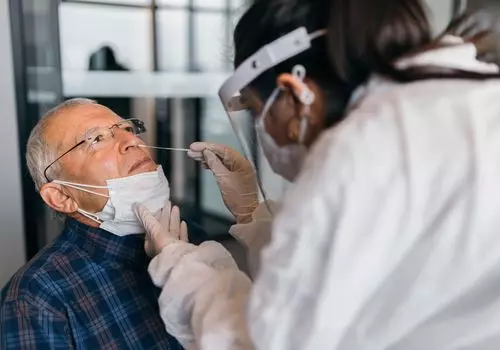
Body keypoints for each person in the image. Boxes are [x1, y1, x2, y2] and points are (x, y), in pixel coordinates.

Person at [136, 1, 500, 349]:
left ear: (295, 94)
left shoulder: (361, 151)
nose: (266, 132)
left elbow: (263, 341)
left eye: (259, 110)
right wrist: (252, 211)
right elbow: (337, 267)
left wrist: (178, 265)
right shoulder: (463, 100)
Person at [0, 98, 184, 349]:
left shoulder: (187, 237)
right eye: (96, 139)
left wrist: (249, 214)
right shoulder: (36, 299)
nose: (133, 141)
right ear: (62, 196)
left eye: (127, 129)